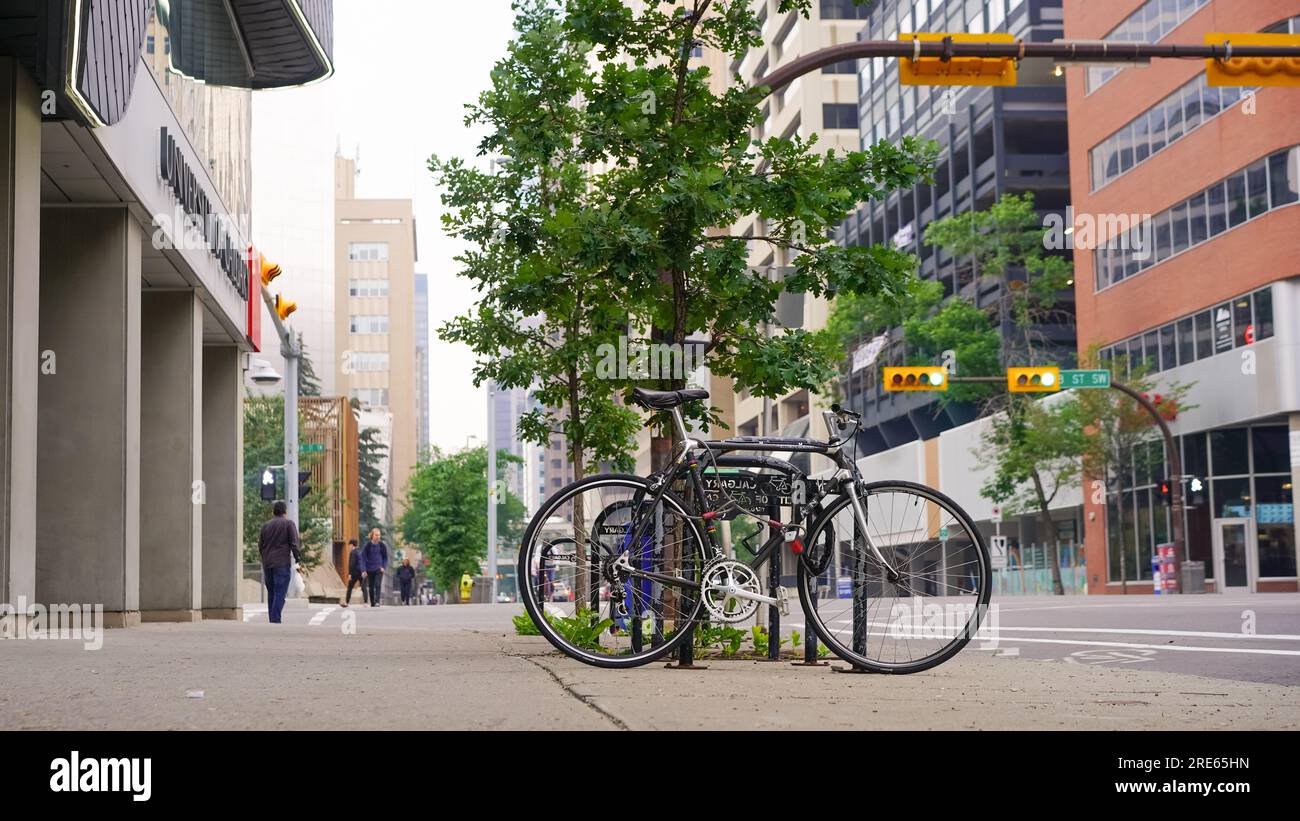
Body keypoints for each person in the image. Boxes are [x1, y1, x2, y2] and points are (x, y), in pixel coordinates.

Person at [258, 501, 302, 624]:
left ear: (274, 512)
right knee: (279, 592)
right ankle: (275, 619)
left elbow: (260, 545)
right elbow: (294, 543)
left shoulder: (265, 526)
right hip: (282, 563)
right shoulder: (288, 524)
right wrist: (298, 558)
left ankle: (272, 619)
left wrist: (265, 557)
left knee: (271, 591)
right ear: (285, 512)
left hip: (267, 563)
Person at [360, 528, 389, 607]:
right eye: (376, 535)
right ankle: (372, 602)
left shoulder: (382, 546)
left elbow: (385, 557)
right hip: (369, 569)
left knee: (378, 584)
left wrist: (383, 567)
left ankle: (377, 602)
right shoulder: (367, 546)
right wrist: (363, 570)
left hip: (379, 569)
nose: (378, 537)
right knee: (371, 587)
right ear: (372, 535)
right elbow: (363, 558)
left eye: (379, 535)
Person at [343, 538, 366, 607]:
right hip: (361, 572)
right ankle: (365, 602)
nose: (349, 547)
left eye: (349, 545)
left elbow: (352, 563)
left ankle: (347, 602)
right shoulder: (360, 551)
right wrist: (364, 571)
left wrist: (350, 574)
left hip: (354, 572)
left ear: (352, 545)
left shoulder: (353, 552)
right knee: (363, 587)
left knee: (350, 587)